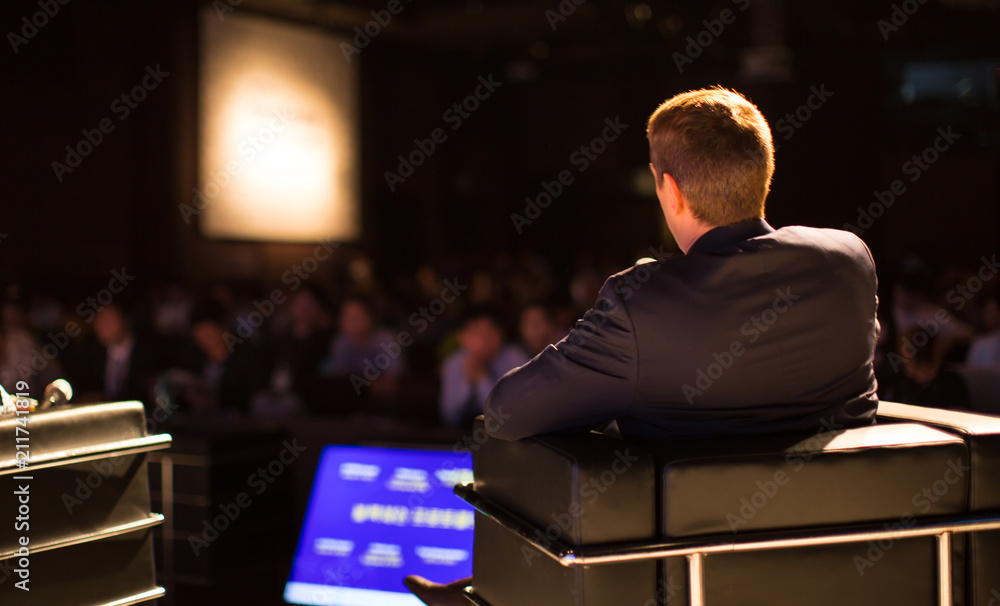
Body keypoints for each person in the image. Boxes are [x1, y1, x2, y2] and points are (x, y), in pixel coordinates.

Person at [405, 87, 879, 605]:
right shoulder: (848, 260)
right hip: (850, 563)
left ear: (670, 190)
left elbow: (505, 411)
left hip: (684, 577)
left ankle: (491, 591)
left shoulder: (644, 300)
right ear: (762, 173)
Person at [439, 306, 529, 427]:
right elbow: (450, 415)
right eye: (476, 331)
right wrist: (468, 383)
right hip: (461, 432)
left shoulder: (516, 359)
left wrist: (482, 378)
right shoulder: (453, 363)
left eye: (490, 330)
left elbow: (507, 415)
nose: (484, 338)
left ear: (501, 334)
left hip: (508, 432)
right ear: (461, 336)